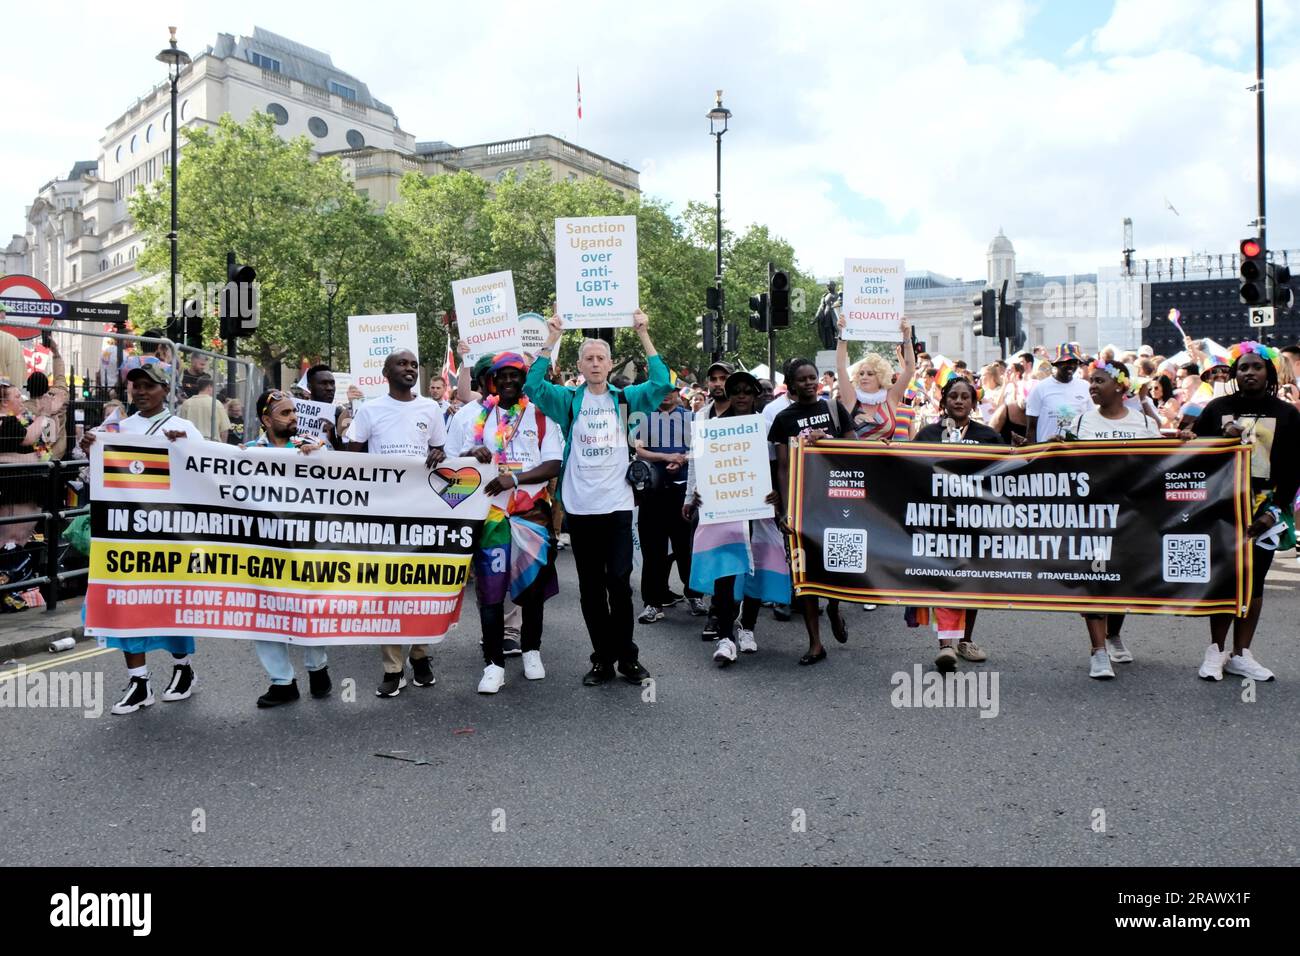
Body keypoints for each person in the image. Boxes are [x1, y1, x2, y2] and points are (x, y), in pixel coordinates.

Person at [523, 309, 671, 687]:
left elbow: (660, 382)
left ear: (609, 364)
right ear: (579, 364)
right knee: (591, 589)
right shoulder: (568, 401)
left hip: (618, 507)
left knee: (619, 582)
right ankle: (601, 659)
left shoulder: (627, 398)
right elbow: (533, 387)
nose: (594, 363)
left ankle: (627, 657)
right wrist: (551, 337)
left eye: (600, 358)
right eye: (588, 358)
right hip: (581, 508)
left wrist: (644, 334)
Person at [78, 364, 204, 715]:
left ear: (165, 390)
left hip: (170, 535)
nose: (141, 391)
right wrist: (90, 447)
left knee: (170, 602)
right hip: (126, 534)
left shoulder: (184, 428)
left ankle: (183, 669)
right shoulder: (116, 427)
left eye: (149, 386)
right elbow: (96, 472)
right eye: (135, 386)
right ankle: (139, 681)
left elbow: (208, 474)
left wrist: (186, 452)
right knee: (125, 601)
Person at [1185, 342, 1299, 682]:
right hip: (1221, 508)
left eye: (1256, 367)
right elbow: (1192, 450)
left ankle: (1241, 654)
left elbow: (1294, 471)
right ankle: (1216, 651)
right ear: (1234, 375)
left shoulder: (1288, 415)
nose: (1248, 372)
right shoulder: (1217, 408)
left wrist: (1274, 512)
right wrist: (1220, 437)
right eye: (1242, 368)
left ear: (1269, 374)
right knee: (1225, 580)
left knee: (1255, 584)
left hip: (1265, 509)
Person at [343, 348, 448, 698]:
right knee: (385, 589)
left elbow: (440, 454)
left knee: (420, 586)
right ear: (386, 372)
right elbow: (351, 459)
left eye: (414, 364)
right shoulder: (370, 409)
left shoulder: (430, 409)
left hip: (422, 512)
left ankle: (420, 656)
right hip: (382, 515)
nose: (410, 369)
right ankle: (392, 667)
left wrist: (438, 454)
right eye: (402, 364)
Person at [462, 353, 562, 693]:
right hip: (491, 516)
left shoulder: (541, 415)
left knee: (532, 591)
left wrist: (514, 479)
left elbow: (552, 465)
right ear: (492, 381)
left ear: (523, 380)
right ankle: (493, 664)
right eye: (501, 376)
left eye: (514, 376)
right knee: (490, 593)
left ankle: (532, 650)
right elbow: (456, 460)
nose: (508, 381)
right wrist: (470, 455)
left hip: (532, 514)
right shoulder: (477, 417)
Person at [1060, 361, 1162, 679]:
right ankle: (1098, 651)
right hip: (1092, 516)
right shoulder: (1079, 423)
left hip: (1130, 518)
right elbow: (1062, 463)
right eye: (1090, 381)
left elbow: (1162, 464)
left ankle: (1113, 634)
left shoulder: (1144, 424)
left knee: (1120, 582)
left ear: (1119, 386)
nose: (1091, 386)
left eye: (1099, 380)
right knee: (1095, 582)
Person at [683, 371, 789, 666]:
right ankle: (726, 636)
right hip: (724, 510)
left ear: (756, 394)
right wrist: (696, 494)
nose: (741, 395)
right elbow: (702, 467)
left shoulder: (765, 427)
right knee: (726, 570)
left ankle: (749, 627)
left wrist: (777, 496)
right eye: (736, 391)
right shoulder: (712, 427)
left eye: (747, 390)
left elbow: (777, 466)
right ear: (728, 395)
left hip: (759, 509)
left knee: (756, 567)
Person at [243, 389, 331, 707]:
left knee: (309, 606)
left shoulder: (309, 445)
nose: (293, 417)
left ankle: (318, 668)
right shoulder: (248, 452)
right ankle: (282, 682)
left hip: (305, 547)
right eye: (284, 413)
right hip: (264, 548)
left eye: (294, 411)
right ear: (266, 420)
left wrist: (322, 449)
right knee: (265, 613)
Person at [767, 358, 855, 665]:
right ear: (791, 386)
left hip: (834, 500)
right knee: (804, 574)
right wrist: (784, 510)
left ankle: (833, 607)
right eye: (802, 379)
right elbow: (782, 468)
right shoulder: (783, 419)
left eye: (812, 378)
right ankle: (815, 643)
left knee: (835, 564)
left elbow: (855, 450)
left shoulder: (833, 409)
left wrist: (827, 440)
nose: (808, 382)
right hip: (802, 505)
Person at [912, 377, 1002, 671]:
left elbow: (1008, 471)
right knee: (945, 581)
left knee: (971, 582)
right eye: (954, 396)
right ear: (944, 401)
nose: (959, 401)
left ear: (974, 404)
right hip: (937, 521)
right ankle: (946, 646)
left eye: (966, 397)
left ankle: (965, 640)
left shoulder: (987, 435)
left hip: (976, 522)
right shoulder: (927, 434)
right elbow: (906, 467)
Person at [634, 387, 705, 622]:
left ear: (678, 393)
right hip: (652, 493)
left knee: (687, 548)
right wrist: (666, 457)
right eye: (660, 390)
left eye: (670, 390)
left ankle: (694, 595)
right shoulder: (644, 416)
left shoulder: (693, 418)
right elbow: (638, 449)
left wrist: (683, 458)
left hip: (683, 494)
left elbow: (702, 449)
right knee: (653, 550)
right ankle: (653, 602)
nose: (665, 394)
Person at [834, 315, 914, 441]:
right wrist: (842, 336)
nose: (864, 377)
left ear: (880, 377)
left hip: (885, 459)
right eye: (861, 374)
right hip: (855, 459)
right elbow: (840, 367)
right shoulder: (852, 398)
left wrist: (907, 338)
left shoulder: (890, 397)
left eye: (870, 374)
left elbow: (909, 370)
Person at [1025, 343, 1091, 443]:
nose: (1071, 366)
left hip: (1077, 452)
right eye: (1067, 361)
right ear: (1057, 364)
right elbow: (1031, 428)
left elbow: (1091, 422)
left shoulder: (1085, 386)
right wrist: (1032, 456)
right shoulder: (1040, 388)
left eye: (1075, 362)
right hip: (1047, 453)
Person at [23, 336, 69, 460]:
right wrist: (55, 352)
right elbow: (60, 376)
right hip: (58, 455)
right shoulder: (59, 396)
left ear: (27, 389)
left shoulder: (23, 408)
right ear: (48, 387)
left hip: (36, 458)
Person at [304, 364, 354, 449]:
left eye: (332, 383)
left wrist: (333, 435)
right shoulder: (297, 413)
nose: (329, 388)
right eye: (323, 383)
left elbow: (347, 452)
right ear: (309, 387)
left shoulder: (340, 414)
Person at [177, 375, 230, 442]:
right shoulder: (216, 404)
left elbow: (182, 428)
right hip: (212, 443)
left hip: (192, 443)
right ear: (209, 387)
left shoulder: (187, 403)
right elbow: (224, 431)